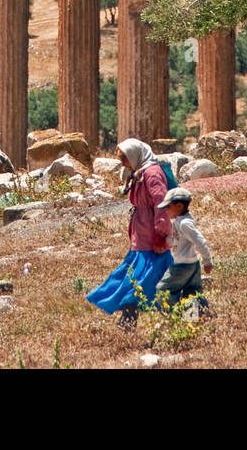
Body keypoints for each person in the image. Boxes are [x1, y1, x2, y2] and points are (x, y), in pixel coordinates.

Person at [86, 138, 173, 329]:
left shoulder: (152, 174)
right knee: (153, 276)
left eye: (125, 159)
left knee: (150, 277)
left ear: (135, 156)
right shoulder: (140, 172)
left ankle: (129, 312)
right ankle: (131, 312)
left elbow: (162, 202)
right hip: (142, 233)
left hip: (152, 235)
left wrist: (161, 232)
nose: (123, 163)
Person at [154, 186, 212, 314]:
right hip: (192, 264)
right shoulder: (181, 221)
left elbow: (200, 241)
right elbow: (178, 240)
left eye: (168, 207)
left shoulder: (184, 223)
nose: (166, 210)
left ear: (179, 206)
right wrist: (165, 242)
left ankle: (176, 313)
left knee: (162, 290)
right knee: (191, 292)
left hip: (181, 265)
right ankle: (193, 318)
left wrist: (207, 261)